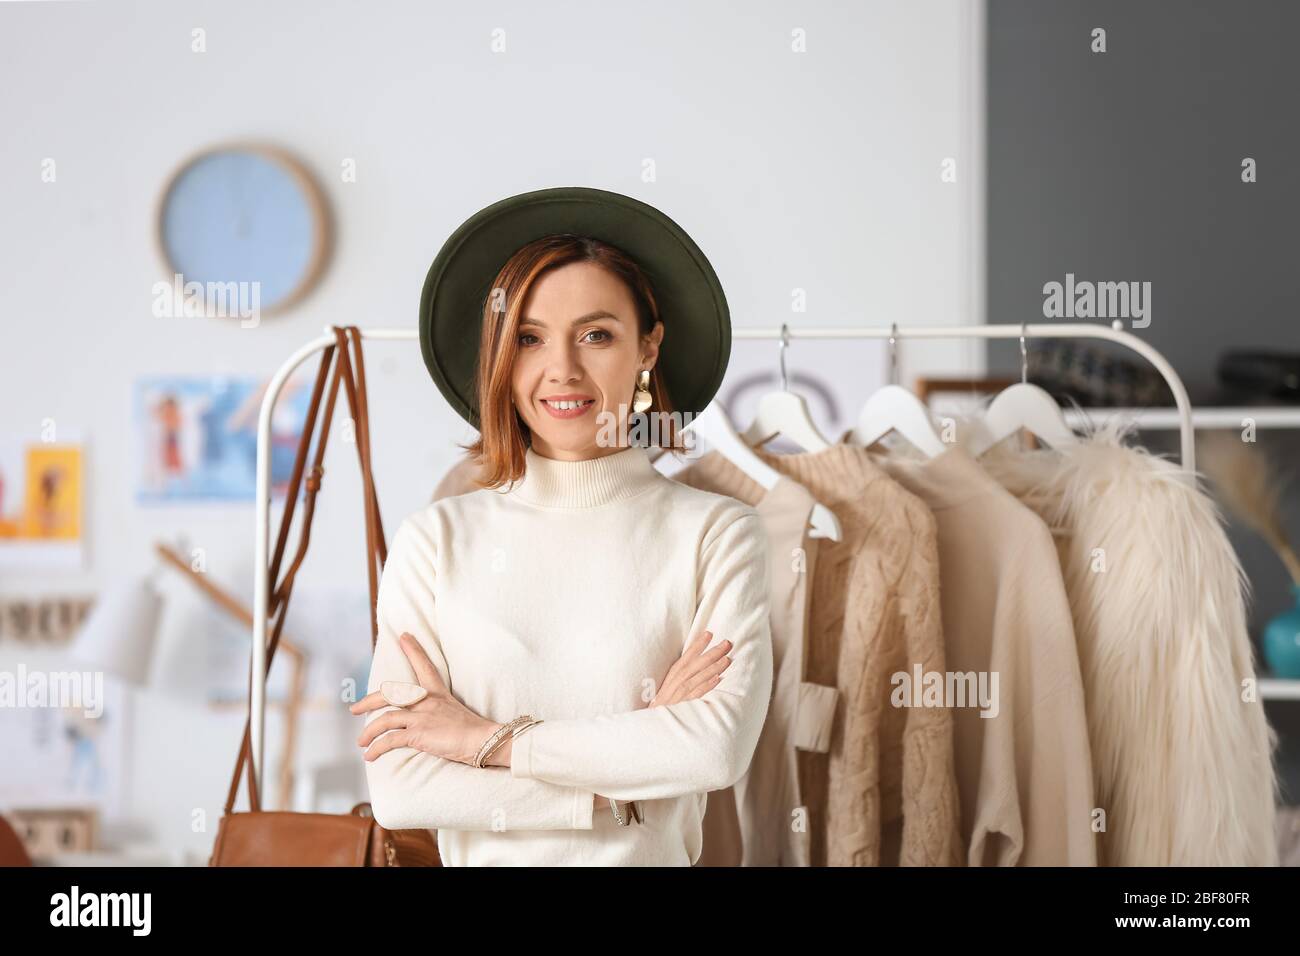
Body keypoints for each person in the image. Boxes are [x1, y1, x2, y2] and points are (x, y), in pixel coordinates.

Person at [348, 187, 774, 865]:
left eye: (597, 335)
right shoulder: (435, 542)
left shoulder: (716, 535)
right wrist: (617, 790)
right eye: (528, 338)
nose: (563, 370)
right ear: (499, 356)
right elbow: (403, 789)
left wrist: (483, 742)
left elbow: (713, 748)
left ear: (648, 348)